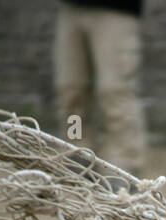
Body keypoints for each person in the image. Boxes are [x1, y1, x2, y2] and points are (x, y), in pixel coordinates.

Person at [54, 0, 147, 176]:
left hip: (116, 11)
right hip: (71, 9)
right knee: (72, 90)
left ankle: (123, 166)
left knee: (114, 91)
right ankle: (76, 151)